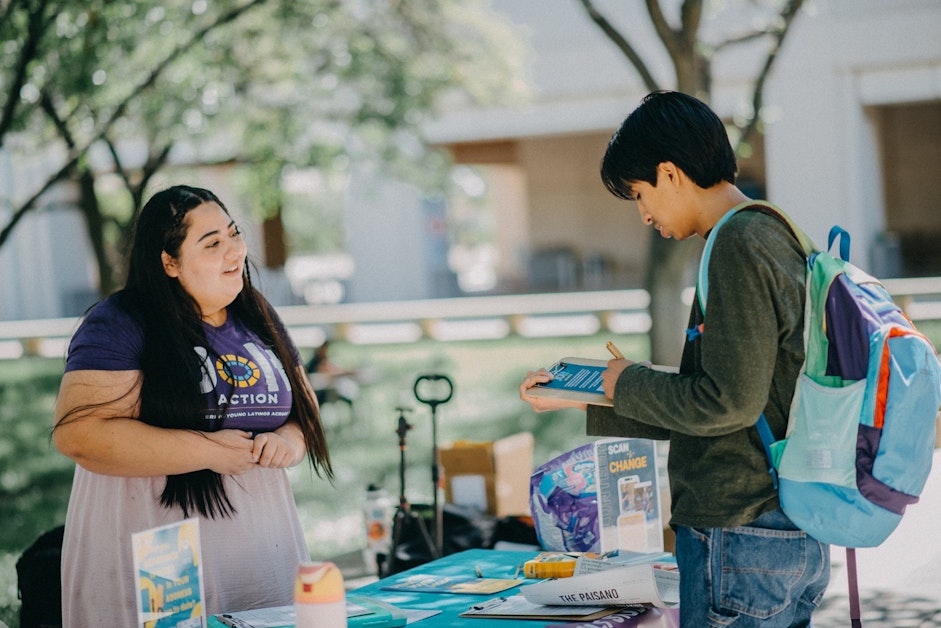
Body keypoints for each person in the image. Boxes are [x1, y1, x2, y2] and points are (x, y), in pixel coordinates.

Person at [520, 91, 830, 626]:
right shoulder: (773, 230)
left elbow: (724, 404)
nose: (643, 214)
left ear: (669, 173)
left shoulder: (738, 242)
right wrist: (591, 395)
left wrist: (626, 381)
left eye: (639, 194)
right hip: (781, 531)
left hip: (740, 535)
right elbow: (728, 395)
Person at [52, 185, 333, 626]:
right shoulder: (120, 320)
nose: (235, 251)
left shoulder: (255, 312)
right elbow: (80, 435)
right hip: (161, 557)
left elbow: (306, 409)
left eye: (234, 234)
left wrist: (290, 441)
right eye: (212, 243)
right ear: (169, 262)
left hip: (263, 555)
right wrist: (210, 450)